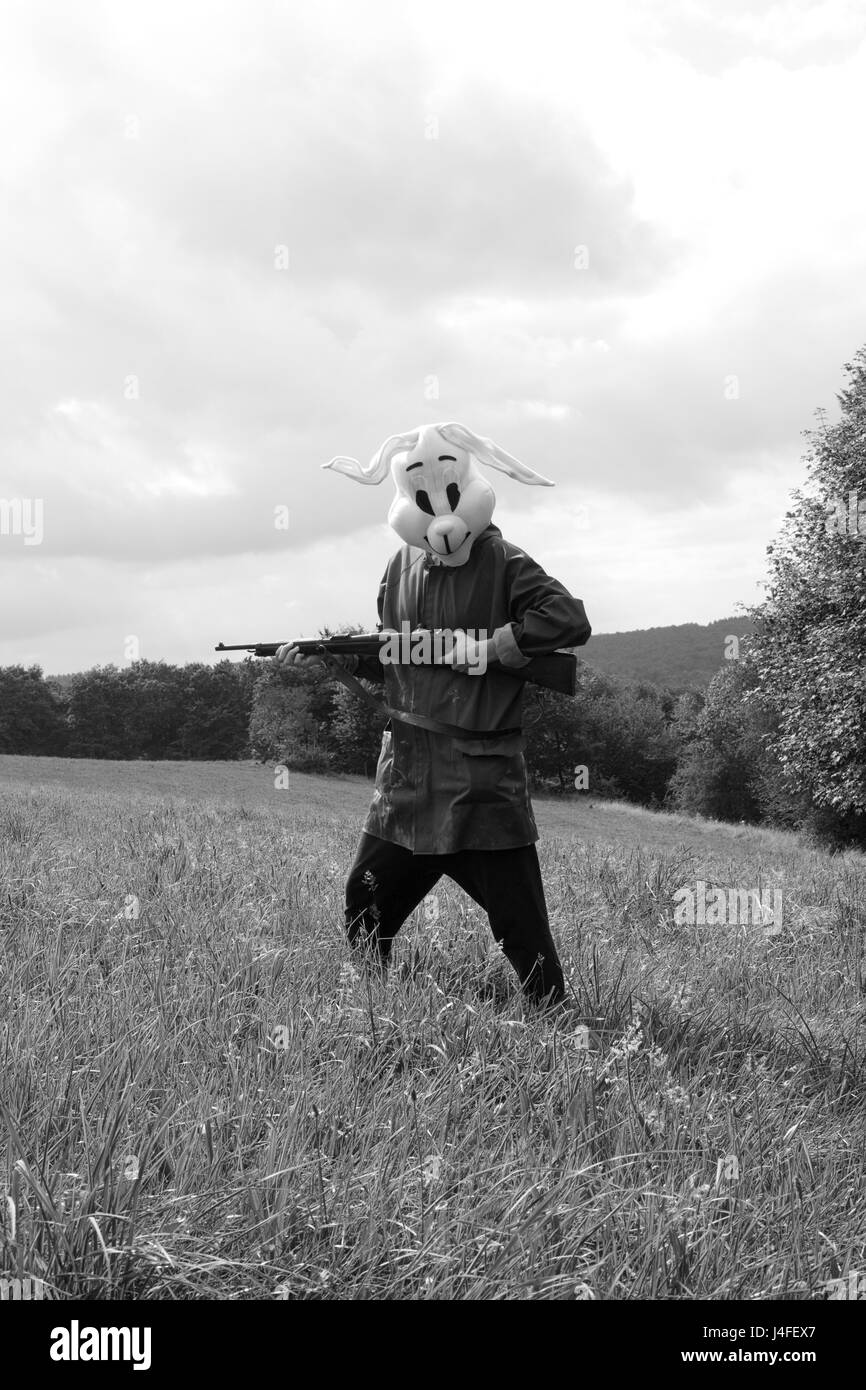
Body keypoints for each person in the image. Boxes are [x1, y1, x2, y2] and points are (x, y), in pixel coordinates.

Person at [276, 422, 591, 1006]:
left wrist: (491, 648)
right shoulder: (397, 569)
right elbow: (395, 660)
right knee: (365, 901)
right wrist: (322, 659)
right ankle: (372, 1005)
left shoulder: (505, 561)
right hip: (406, 780)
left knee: (520, 925)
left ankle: (555, 1025)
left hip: (481, 780)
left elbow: (569, 620)